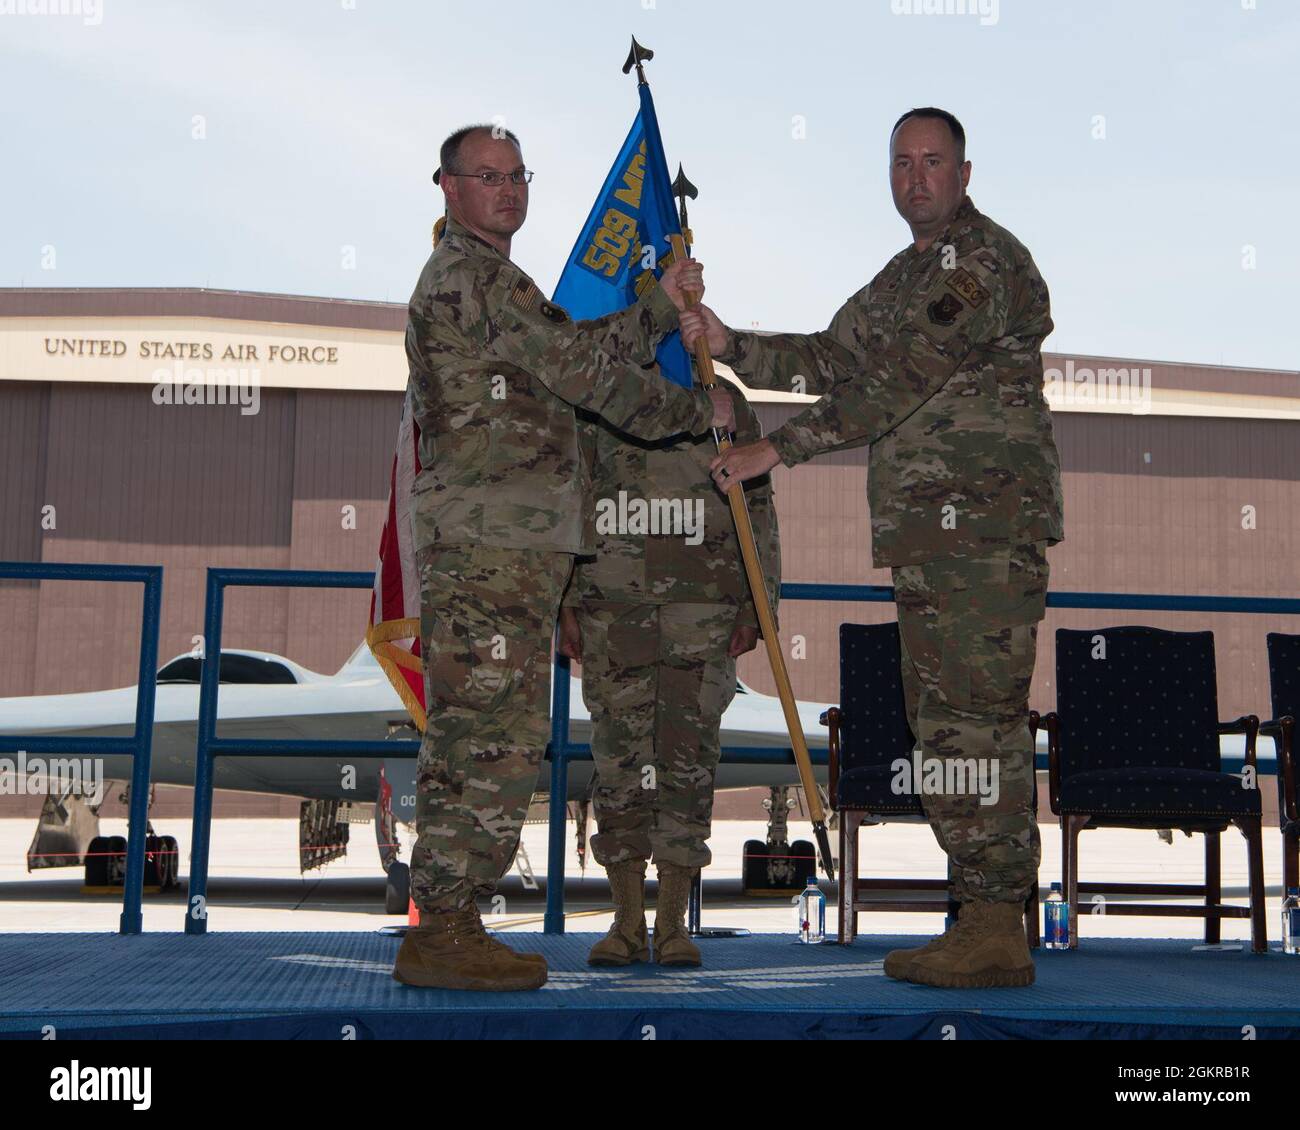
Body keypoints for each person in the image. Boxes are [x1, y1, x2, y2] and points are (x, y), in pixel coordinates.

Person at [678, 108, 1064, 988]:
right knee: (948, 725)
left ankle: (996, 923)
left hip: (984, 531)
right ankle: (985, 915)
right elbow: (830, 357)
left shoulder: (985, 264)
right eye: (901, 163)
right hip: (931, 537)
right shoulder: (902, 277)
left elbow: (896, 382)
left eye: (933, 161)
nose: (916, 177)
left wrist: (777, 447)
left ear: (966, 173)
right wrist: (733, 343)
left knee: (973, 724)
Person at [393, 123, 735, 992]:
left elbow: (575, 382)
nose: (507, 190)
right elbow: (582, 364)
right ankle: (447, 928)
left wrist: (688, 408)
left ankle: (451, 923)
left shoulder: (495, 280)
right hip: (490, 550)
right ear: (447, 187)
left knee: (492, 735)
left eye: (517, 176)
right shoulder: (472, 279)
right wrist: (661, 307)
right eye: (486, 176)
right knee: (488, 740)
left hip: (510, 549)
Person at [557, 377, 780, 968]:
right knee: (620, 763)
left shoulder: (723, 401)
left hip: (701, 611)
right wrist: (565, 601)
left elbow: (756, 507)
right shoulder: (598, 394)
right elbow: (569, 496)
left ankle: (675, 924)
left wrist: (758, 608)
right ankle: (626, 922)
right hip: (612, 607)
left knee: (687, 762)